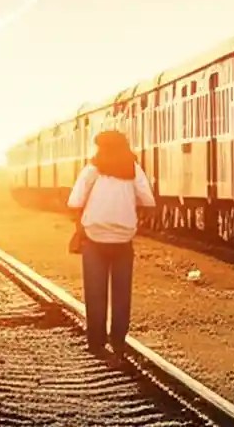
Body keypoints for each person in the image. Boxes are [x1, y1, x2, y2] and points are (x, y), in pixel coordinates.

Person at [67, 129, 156, 366]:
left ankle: (96, 344)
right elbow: (148, 198)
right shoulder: (133, 168)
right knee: (121, 294)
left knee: (95, 293)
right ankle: (118, 342)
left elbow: (74, 200)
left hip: (95, 239)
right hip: (123, 239)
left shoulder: (92, 169)